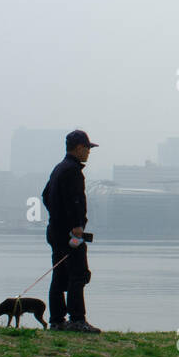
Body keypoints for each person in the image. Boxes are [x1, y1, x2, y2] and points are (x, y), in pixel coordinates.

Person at [41, 129, 102, 333]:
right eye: (87, 148)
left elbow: (45, 195)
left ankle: (57, 320)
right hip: (70, 233)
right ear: (79, 148)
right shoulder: (73, 171)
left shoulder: (59, 168)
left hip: (55, 231)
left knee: (59, 275)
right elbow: (75, 201)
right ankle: (77, 320)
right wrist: (76, 226)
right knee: (78, 274)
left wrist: (56, 218)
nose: (89, 152)